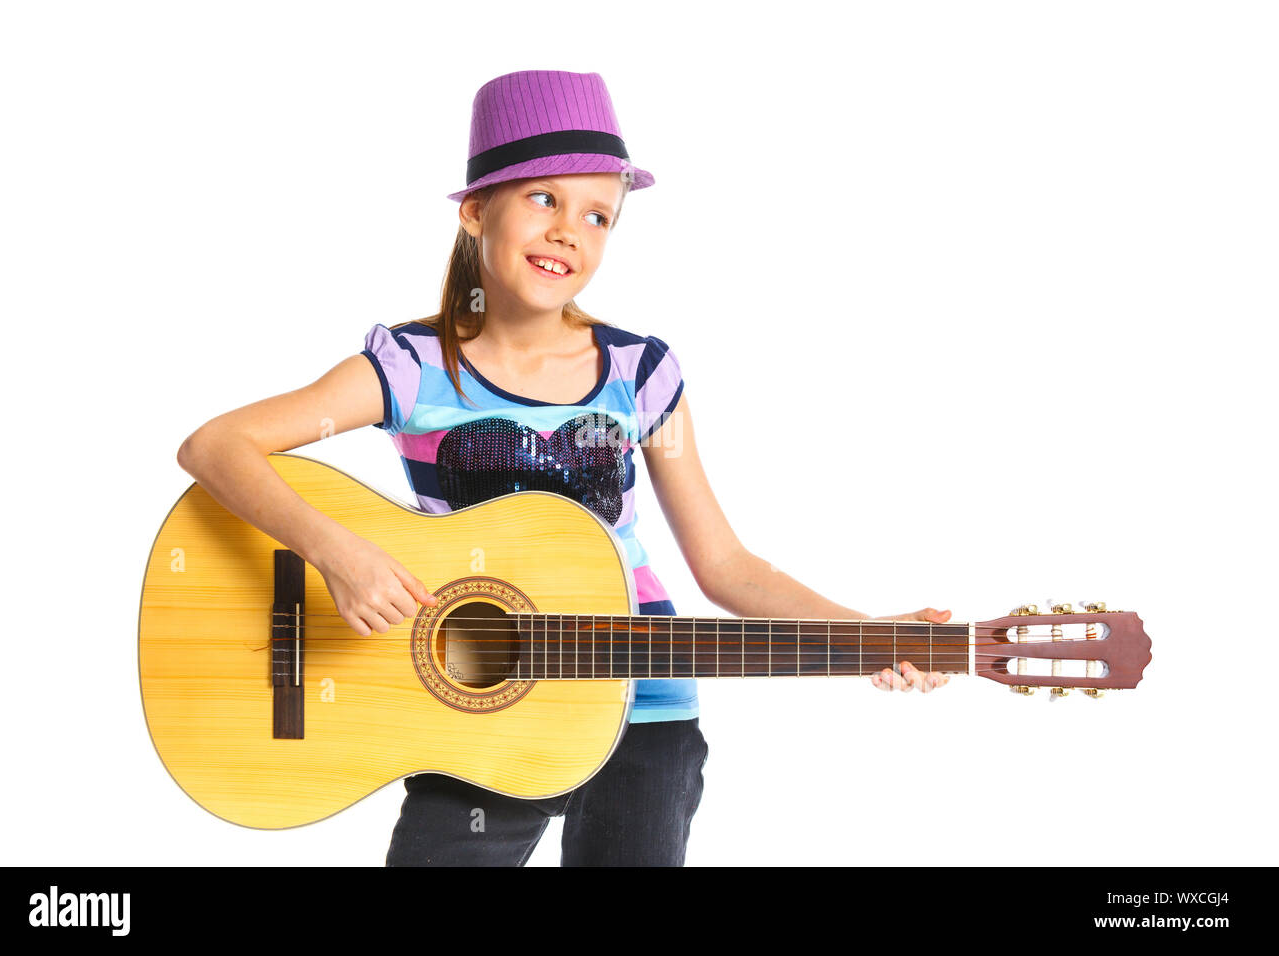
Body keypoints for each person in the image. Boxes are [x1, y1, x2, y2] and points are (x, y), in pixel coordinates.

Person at [176, 69, 951, 867]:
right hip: (473, 710)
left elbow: (724, 567)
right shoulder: (410, 369)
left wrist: (869, 632)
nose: (569, 232)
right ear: (476, 209)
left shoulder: (639, 375)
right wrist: (335, 550)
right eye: (543, 199)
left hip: (640, 711)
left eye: (598, 216)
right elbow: (215, 446)